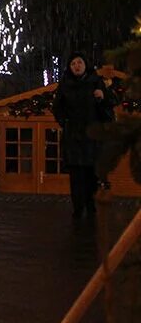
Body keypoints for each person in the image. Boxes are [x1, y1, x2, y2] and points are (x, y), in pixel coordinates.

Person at [52, 52, 115, 219]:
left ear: (85, 64)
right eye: (73, 64)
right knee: (76, 176)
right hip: (73, 136)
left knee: (91, 173)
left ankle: (91, 204)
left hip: (91, 136)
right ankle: (78, 208)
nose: (77, 66)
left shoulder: (96, 82)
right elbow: (57, 107)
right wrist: (65, 122)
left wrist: (102, 98)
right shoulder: (65, 84)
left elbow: (108, 108)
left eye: (79, 62)